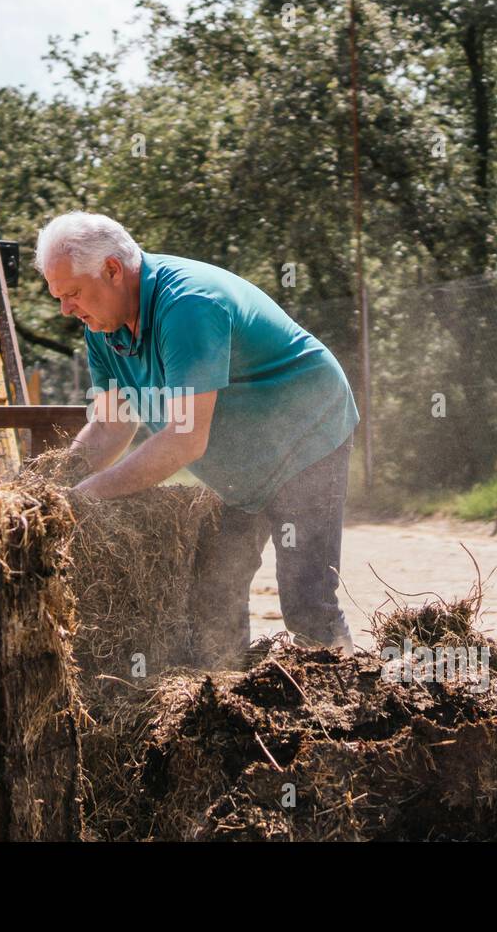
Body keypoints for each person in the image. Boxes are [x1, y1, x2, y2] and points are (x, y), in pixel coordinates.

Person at [35, 211, 359, 662]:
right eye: (59, 297)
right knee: (211, 591)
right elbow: (111, 424)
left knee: (307, 602)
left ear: (112, 270)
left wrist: (84, 496)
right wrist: (53, 487)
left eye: (71, 294)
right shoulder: (102, 327)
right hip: (238, 457)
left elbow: (185, 440)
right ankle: (229, 700)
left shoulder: (187, 305)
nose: (65, 309)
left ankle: (352, 712)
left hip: (304, 435)